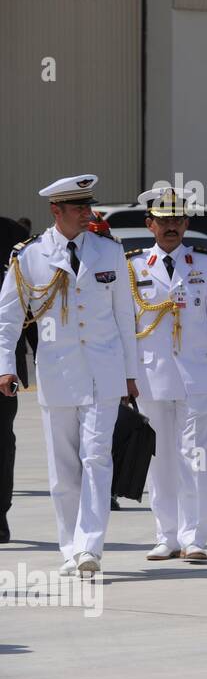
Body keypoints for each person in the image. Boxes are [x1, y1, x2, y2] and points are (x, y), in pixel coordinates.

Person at [0, 175, 139, 575]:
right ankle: (69, 546)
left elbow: (124, 317)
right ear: (55, 211)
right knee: (63, 467)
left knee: (96, 457)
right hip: (58, 372)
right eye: (77, 208)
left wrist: (131, 373)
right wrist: (6, 367)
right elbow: (8, 318)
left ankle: (90, 547)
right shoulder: (29, 256)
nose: (86, 213)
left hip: (104, 370)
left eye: (87, 206)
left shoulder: (108, 251)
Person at [126, 187, 207, 561]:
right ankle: (166, 534)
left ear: (186, 223)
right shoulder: (134, 267)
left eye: (177, 220)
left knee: (196, 457)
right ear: (149, 224)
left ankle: (194, 537)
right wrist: (128, 377)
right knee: (161, 459)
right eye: (163, 220)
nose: (170, 227)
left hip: (197, 377)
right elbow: (127, 327)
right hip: (151, 378)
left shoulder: (204, 265)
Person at [0, 214, 37, 544]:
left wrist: (46, 359)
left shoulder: (15, 238)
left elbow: (37, 304)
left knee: (1, 440)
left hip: (2, 363)